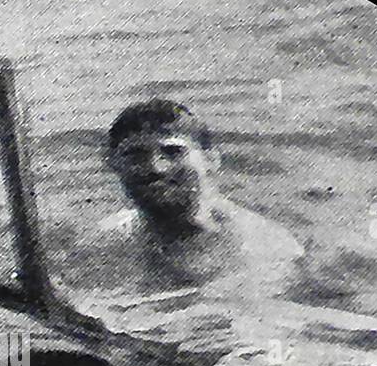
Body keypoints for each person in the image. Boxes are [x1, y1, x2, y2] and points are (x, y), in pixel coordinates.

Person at [93, 98, 302, 299]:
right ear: (111, 163)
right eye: (134, 155)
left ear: (211, 159)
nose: (155, 167)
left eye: (173, 152)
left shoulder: (260, 246)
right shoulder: (111, 235)